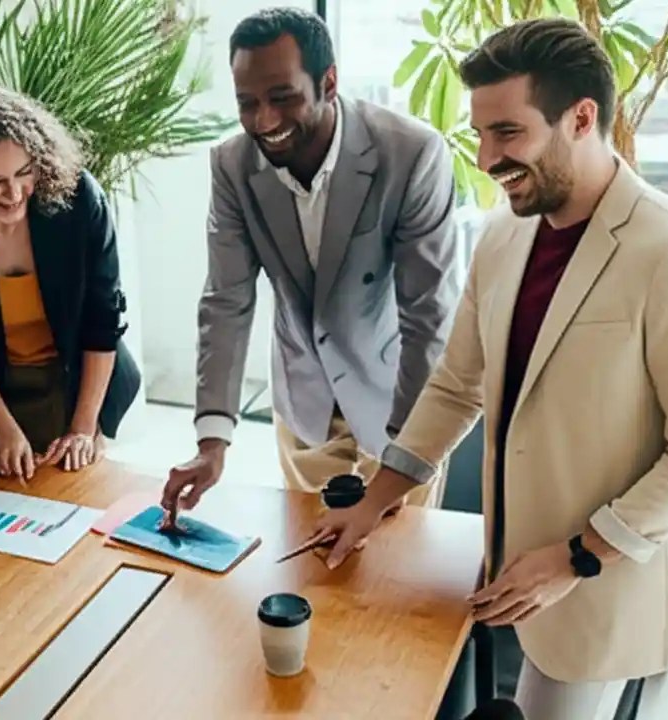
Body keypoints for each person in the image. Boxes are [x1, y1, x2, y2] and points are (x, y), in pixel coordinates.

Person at [308, 19, 668, 720]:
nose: (484, 158)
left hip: (603, 574)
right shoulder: (503, 232)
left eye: (506, 133)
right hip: (508, 554)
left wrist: (576, 555)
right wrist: (376, 496)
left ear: (581, 118)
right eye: (480, 134)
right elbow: (458, 383)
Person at [160, 7, 465, 515]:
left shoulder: (412, 155)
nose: (264, 121)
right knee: (310, 561)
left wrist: (405, 455)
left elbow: (428, 314)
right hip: (306, 401)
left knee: (397, 565)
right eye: (247, 103)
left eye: (282, 97)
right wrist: (212, 441)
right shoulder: (232, 166)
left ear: (328, 82)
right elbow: (226, 301)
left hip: (398, 397)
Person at [0, 84, 141, 479]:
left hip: (81, 380)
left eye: (24, 173)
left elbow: (101, 319)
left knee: (78, 490)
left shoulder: (77, 199)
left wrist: (85, 428)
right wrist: (3, 427)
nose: (14, 193)